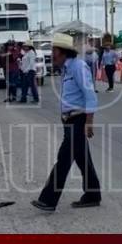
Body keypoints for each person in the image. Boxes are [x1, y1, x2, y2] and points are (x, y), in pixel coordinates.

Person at [32, 33, 101, 211]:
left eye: (54, 50)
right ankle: (93, 194)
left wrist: (89, 122)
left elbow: (90, 94)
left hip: (78, 120)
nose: (51, 54)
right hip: (69, 120)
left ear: (62, 52)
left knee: (63, 159)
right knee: (82, 158)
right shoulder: (66, 69)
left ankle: (48, 200)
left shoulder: (78, 66)